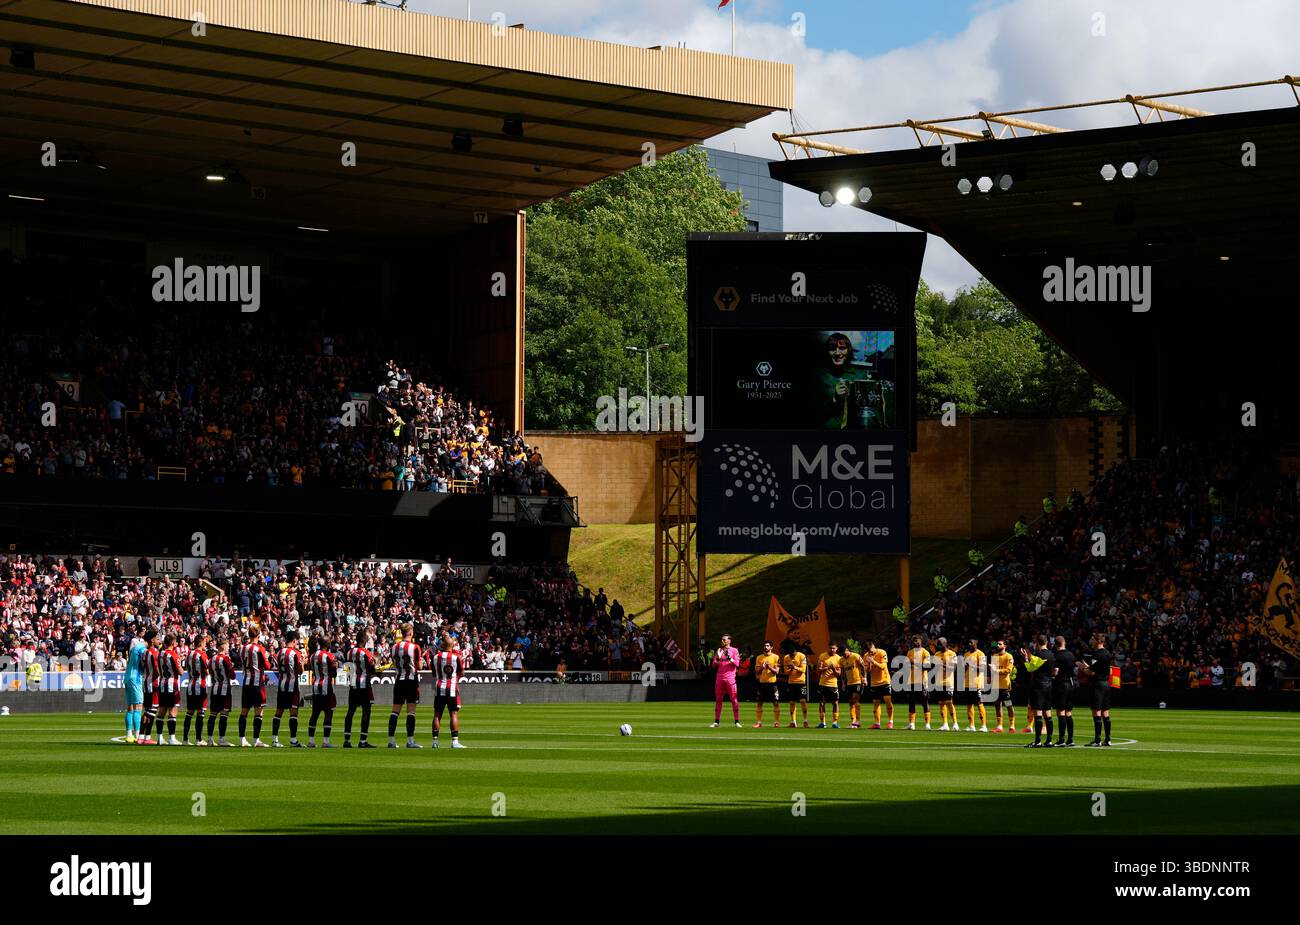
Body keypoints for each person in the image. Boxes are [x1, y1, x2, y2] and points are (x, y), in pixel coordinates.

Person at [388, 623, 423, 748]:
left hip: (398, 680)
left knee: (395, 711)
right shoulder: (415, 647)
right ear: (410, 632)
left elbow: (394, 663)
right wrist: (421, 660)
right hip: (411, 681)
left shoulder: (394, 647)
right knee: (411, 712)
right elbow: (419, 667)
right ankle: (410, 741)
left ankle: (391, 741)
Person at [430, 632, 466, 748]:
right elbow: (461, 673)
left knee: (437, 714)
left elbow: (434, 673)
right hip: (451, 689)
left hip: (439, 688)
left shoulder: (435, 657)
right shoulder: (457, 658)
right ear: (452, 646)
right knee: (454, 714)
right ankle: (454, 741)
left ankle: (435, 742)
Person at [344, 630, 378, 748]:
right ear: (364, 640)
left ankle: (347, 740)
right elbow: (372, 670)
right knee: (366, 711)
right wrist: (375, 665)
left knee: (350, 712)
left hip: (353, 685)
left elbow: (347, 669)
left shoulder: (349, 652)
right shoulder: (366, 653)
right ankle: (363, 741)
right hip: (364, 685)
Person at [238, 633, 273, 748]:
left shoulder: (242, 648)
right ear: (258, 635)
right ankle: (256, 740)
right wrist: (268, 657)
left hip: (246, 682)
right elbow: (268, 666)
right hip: (257, 683)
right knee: (259, 711)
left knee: (244, 712)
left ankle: (242, 739)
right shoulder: (260, 649)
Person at [1021, 635, 1056, 748]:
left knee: (1038, 713)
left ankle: (1038, 741)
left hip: (1039, 685)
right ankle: (1049, 740)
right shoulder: (1052, 654)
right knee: (1048, 713)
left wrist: (1026, 659)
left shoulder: (1039, 655)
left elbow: (1030, 668)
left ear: (1037, 643)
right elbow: (1055, 671)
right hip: (1049, 685)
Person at [1081, 633, 1114, 747]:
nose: (1091, 640)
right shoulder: (1108, 653)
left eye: (1092, 639)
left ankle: (1097, 740)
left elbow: (1091, 672)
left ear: (1098, 641)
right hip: (1106, 684)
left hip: (1097, 684)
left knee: (1097, 711)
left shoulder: (1096, 654)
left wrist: (1083, 667)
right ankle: (1108, 739)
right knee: (1106, 712)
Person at [272, 631, 304, 748]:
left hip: (282, 684)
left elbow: (279, 670)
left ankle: (274, 740)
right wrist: (303, 664)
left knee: (278, 712)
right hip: (293, 685)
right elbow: (300, 671)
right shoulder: (296, 653)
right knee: (293, 713)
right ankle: (293, 740)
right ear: (295, 640)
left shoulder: (279, 652)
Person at [307, 638, 338, 748]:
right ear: (328, 644)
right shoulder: (330, 656)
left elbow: (310, 668)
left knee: (314, 714)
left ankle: (311, 741)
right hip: (327, 687)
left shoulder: (312, 656)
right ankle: (326, 741)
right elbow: (334, 674)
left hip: (316, 687)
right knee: (328, 714)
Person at [206, 637, 236, 747]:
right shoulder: (226, 659)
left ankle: (209, 739)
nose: (228, 647)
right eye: (227, 645)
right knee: (224, 714)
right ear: (223, 646)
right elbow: (233, 675)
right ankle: (222, 739)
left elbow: (210, 672)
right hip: (224, 689)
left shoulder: (212, 659)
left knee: (213, 714)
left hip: (215, 688)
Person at [710, 634, 742, 728]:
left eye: (724, 639)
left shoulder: (734, 650)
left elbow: (737, 663)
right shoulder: (719, 651)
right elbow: (713, 665)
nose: (722, 641)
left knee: (734, 699)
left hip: (730, 678)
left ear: (729, 641)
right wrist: (718, 658)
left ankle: (736, 721)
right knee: (718, 699)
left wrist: (730, 658)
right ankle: (716, 721)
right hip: (719, 678)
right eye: (721, 639)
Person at [156, 634, 183, 745]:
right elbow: (180, 672)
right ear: (172, 643)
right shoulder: (174, 655)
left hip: (162, 684)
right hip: (172, 685)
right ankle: (172, 738)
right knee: (173, 711)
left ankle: (159, 738)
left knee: (161, 711)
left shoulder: (160, 654)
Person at [182, 635, 209, 745]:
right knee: (200, 712)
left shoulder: (189, 654)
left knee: (189, 713)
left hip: (190, 685)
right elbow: (207, 671)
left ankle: (185, 739)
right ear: (201, 643)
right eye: (204, 643)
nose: (205, 645)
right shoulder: (202, 654)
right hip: (200, 686)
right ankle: (198, 739)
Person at [1051, 635, 1077, 746]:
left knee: (1060, 712)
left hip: (1061, 685)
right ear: (1064, 643)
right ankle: (1070, 739)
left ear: (1055, 644)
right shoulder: (1071, 655)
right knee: (1069, 712)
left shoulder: (1056, 656)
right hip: (1071, 684)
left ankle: (1061, 739)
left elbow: (1055, 672)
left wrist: (1051, 675)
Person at [138, 628, 161, 745]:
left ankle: (141, 736)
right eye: (157, 639)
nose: (159, 641)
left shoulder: (145, 652)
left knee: (147, 710)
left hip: (146, 682)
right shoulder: (154, 652)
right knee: (152, 710)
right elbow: (157, 669)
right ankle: (146, 737)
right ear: (152, 640)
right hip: (153, 684)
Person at [123, 631, 147, 744]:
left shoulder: (136, 647)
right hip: (136, 678)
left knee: (130, 707)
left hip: (127, 676)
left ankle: (129, 734)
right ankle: (138, 735)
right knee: (138, 706)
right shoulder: (143, 649)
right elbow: (144, 663)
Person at [864, 639, 893, 729]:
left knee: (887, 700)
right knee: (876, 703)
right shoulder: (866, 656)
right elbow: (867, 671)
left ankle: (890, 721)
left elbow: (883, 667)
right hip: (874, 683)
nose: (870, 653)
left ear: (873, 646)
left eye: (871, 650)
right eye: (868, 652)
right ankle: (877, 723)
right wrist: (869, 664)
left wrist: (873, 661)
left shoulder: (882, 652)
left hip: (885, 681)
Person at [904, 635, 932, 731]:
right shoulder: (910, 652)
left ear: (921, 641)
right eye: (914, 640)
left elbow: (927, 667)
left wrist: (914, 662)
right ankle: (912, 724)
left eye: (916, 640)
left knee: (924, 702)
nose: (915, 642)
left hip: (922, 681)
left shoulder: (925, 652)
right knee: (911, 702)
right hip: (911, 681)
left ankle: (927, 724)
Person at [752, 640, 781, 728]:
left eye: (768, 646)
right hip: (762, 683)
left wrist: (769, 667)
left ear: (771, 647)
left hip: (772, 683)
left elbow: (776, 672)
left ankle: (776, 722)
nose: (766, 647)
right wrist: (762, 667)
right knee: (760, 703)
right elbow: (757, 672)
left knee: (775, 703)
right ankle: (759, 722)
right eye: (765, 645)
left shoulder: (776, 657)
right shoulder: (759, 657)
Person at [781, 640, 809, 728]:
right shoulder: (786, 658)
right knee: (792, 702)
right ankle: (793, 721)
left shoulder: (802, 656)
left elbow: (803, 670)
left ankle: (805, 720)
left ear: (796, 652)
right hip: (791, 682)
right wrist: (791, 669)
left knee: (803, 701)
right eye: (791, 655)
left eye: (793, 654)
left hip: (801, 682)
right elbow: (786, 672)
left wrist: (795, 667)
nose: (792, 656)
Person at [962, 638, 988, 732]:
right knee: (969, 705)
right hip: (968, 683)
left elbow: (982, 669)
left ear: (976, 644)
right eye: (968, 642)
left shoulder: (980, 654)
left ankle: (983, 726)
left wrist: (971, 666)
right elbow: (965, 668)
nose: (969, 644)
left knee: (979, 703)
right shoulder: (966, 654)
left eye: (971, 643)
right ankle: (971, 725)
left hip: (977, 683)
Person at [990, 640, 1016, 733]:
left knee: (1008, 705)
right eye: (997, 643)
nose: (997, 645)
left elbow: (1009, 670)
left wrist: (996, 670)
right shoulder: (994, 656)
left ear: (1005, 646)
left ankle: (1012, 725)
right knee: (997, 705)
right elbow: (993, 671)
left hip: (1005, 685)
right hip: (996, 685)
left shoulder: (1009, 656)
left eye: (1000, 644)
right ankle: (999, 726)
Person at [932, 637, 958, 731]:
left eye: (939, 643)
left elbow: (953, 669)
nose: (938, 645)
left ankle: (955, 723)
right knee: (941, 703)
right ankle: (945, 724)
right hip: (939, 682)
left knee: (949, 702)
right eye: (937, 643)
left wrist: (942, 665)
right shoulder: (936, 654)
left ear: (945, 643)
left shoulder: (952, 654)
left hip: (948, 682)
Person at [815, 642, 842, 729]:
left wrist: (833, 668)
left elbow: (838, 674)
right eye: (830, 648)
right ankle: (822, 722)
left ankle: (835, 722)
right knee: (822, 703)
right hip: (822, 683)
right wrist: (826, 668)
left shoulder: (838, 658)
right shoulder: (822, 656)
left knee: (835, 703)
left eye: (833, 648)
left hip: (833, 684)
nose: (832, 650)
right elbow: (818, 670)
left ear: (836, 648)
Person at [840, 644, 865, 728]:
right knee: (851, 702)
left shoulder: (855, 656)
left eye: (844, 653)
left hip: (858, 681)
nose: (844, 655)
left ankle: (858, 721)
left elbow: (862, 666)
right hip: (849, 683)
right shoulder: (842, 660)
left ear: (847, 650)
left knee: (855, 699)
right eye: (842, 653)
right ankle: (853, 722)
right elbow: (843, 672)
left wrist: (864, 678)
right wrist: (843, 683)